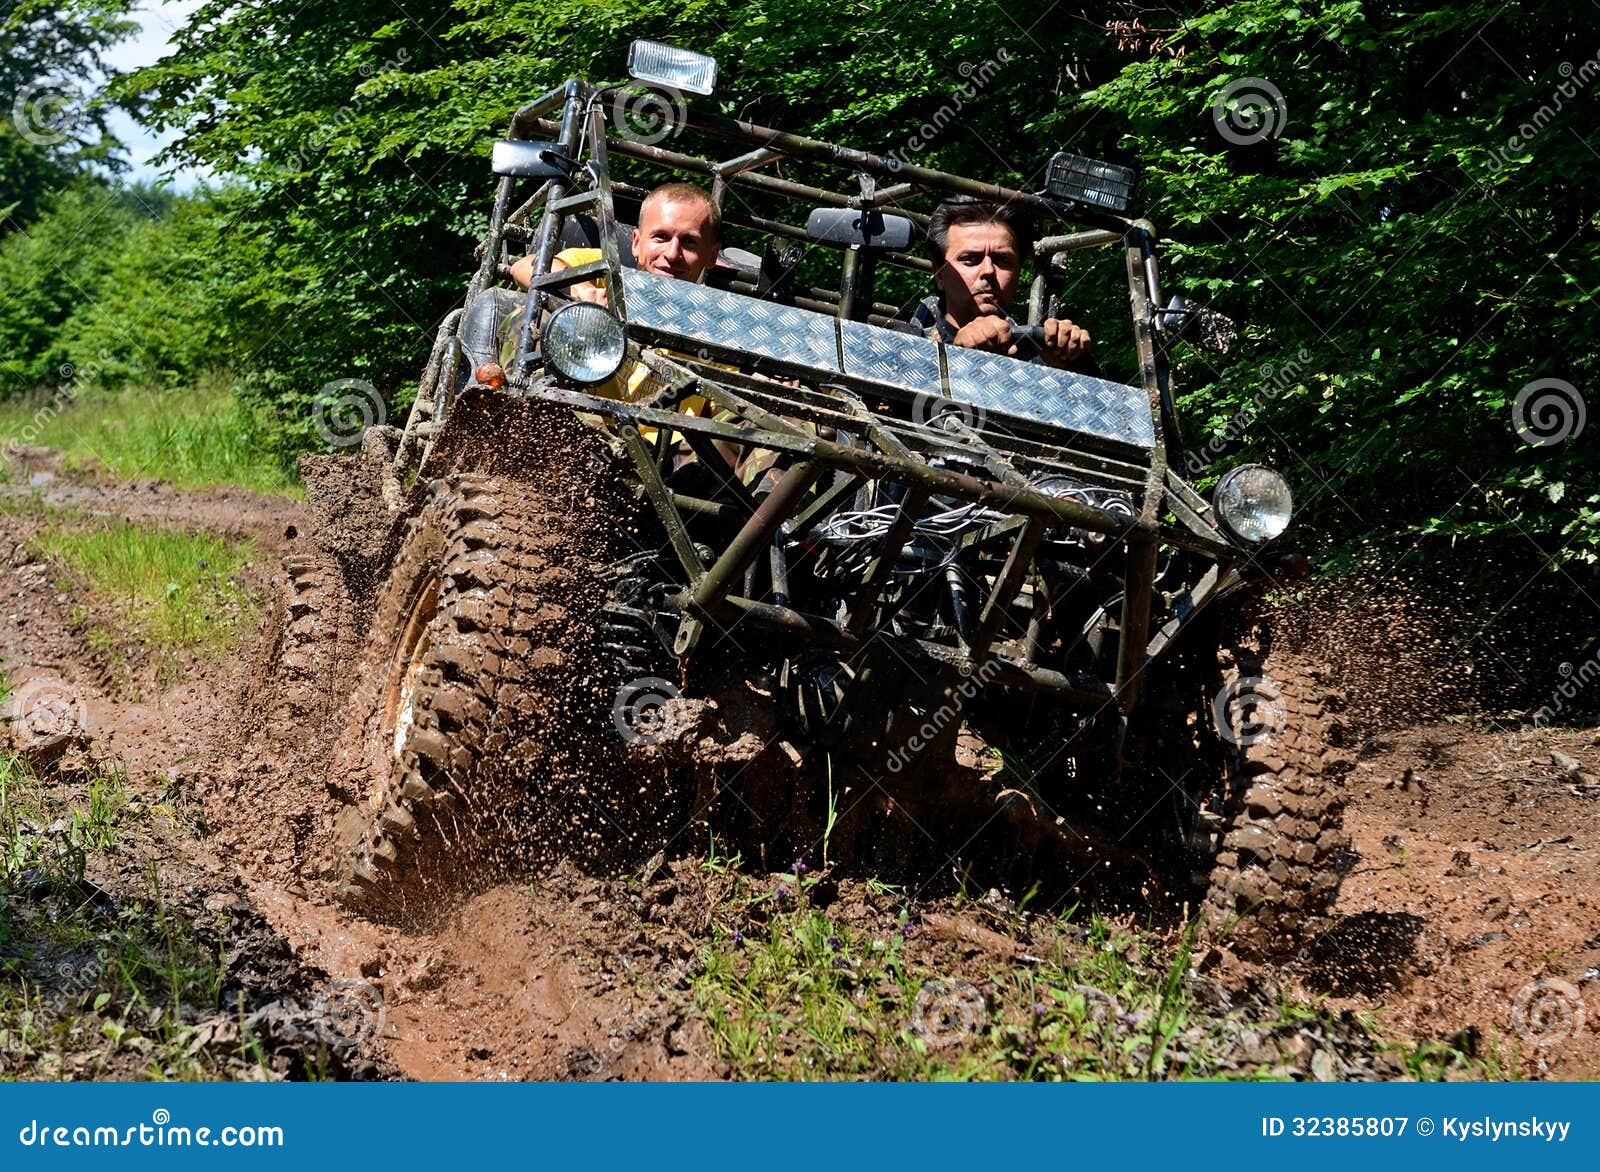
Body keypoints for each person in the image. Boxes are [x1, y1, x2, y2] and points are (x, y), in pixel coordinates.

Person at [920, 198, 1092, 371]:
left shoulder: (1038, 357)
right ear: (939, 274)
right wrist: (956, 357)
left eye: (1002, 260)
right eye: (970, 259)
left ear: (1018, 271)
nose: (988, 270)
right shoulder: (910, 344)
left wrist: (1072, 361)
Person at [508, 180, 722, 301]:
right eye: (661, 237)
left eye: (689, 242)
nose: (672, 253)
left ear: (711, 256)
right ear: (636, 243)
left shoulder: (716, 323)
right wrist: (582, 290)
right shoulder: (603, 273)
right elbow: (525, 266)